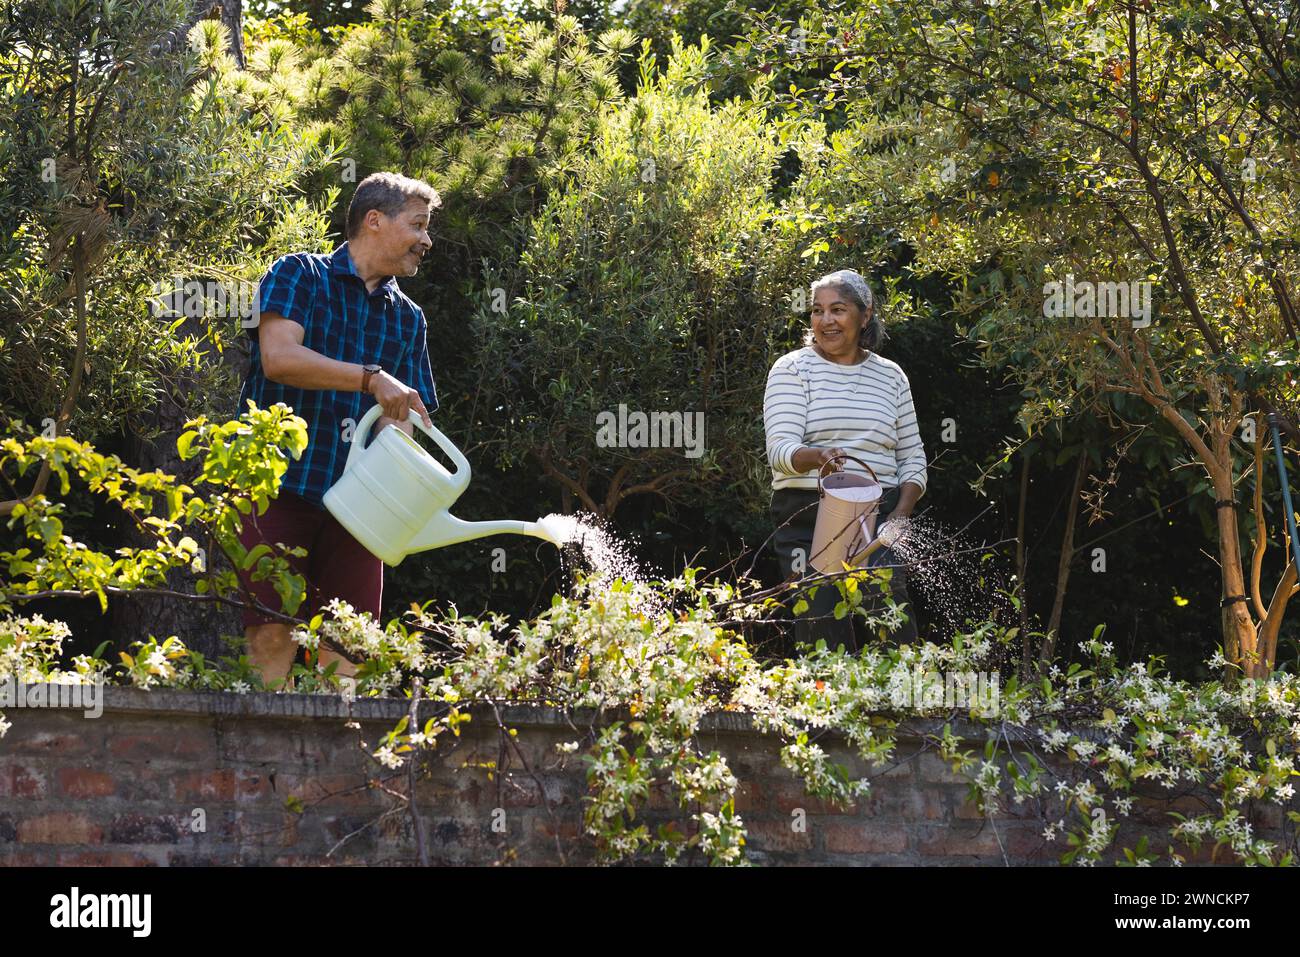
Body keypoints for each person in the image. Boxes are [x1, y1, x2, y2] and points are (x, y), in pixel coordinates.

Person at [234, 172, 441, 687]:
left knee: (349, 643)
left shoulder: (409, 319)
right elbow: (278, 358)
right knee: (271, 633)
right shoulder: (298, 275)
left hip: (359, 509)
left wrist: (406, 464)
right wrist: (371, 380)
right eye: (417, 225)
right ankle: (264, 759)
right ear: (375, 220)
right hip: (278, 486)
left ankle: (340, 762)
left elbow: (405, 423)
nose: (426, 240)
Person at [763, 268, 928, 651]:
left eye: (837, 310)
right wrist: (817, 457)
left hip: (879, 514)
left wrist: (900, 514)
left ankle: (901, 705)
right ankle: (826, 709)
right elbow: (780, 451)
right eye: (817, 311)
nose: (826, 321)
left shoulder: (891, 377)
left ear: (864, 314)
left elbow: (912, 456)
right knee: (820, 629)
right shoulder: (792, 369)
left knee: (892, 625)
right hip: (808, 512)